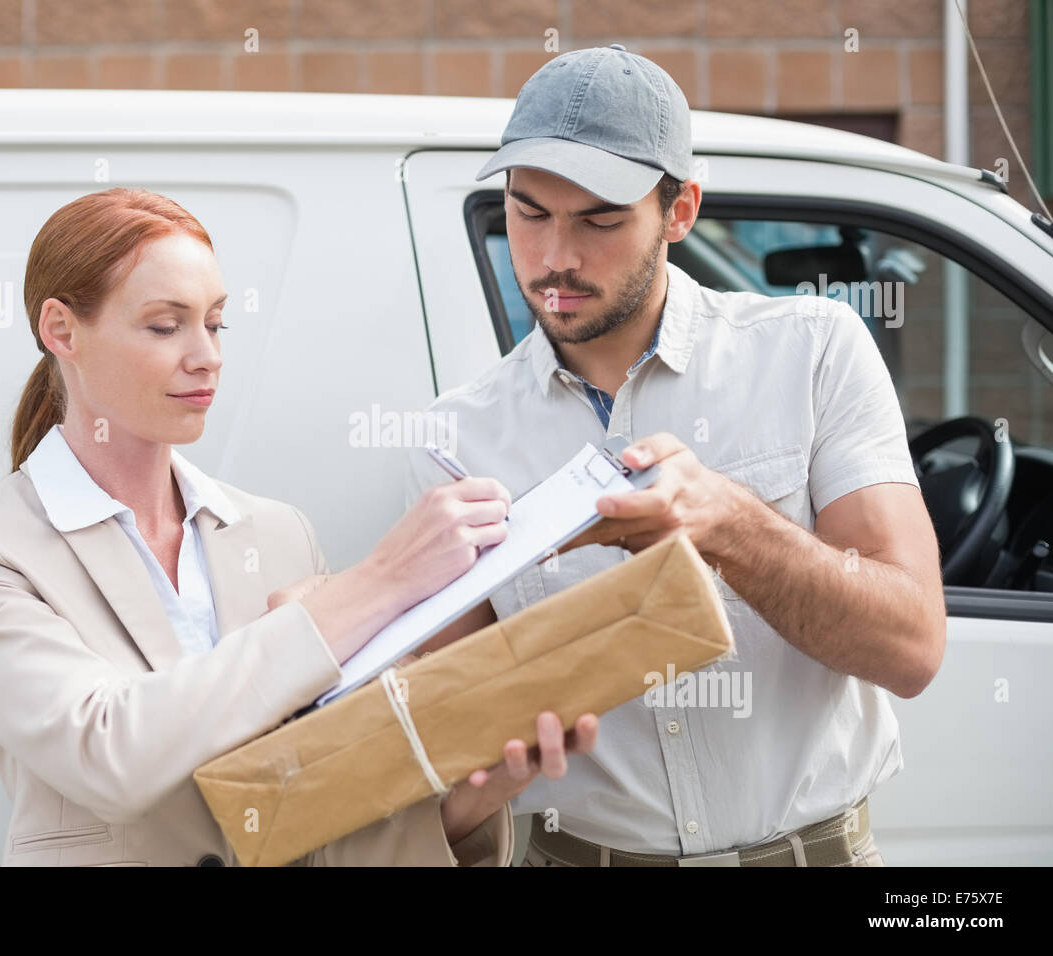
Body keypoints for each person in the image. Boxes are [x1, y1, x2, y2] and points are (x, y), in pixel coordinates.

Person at [0, 187, 598, 867]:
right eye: (165, 325)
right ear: (61, 330)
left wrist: (467, 804)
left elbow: (319, 811)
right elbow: (109, 752)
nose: (207, 355)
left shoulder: (276, 532)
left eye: (216, 322)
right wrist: (380, 583)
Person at [404, 45, 946, 867]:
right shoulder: (457, 439)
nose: (555, 259)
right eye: (529, 212)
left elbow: (910, 648)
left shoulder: (813, 351)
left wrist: (729, 525)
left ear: (682, 209)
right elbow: (453, 736)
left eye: (600, 219)